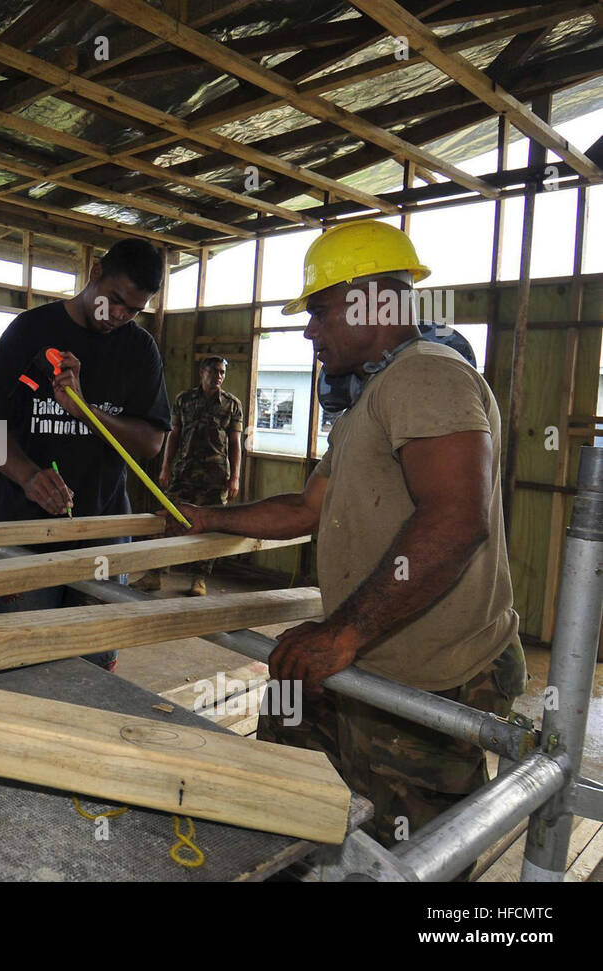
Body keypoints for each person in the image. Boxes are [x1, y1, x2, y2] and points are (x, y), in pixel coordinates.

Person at [164, 221, 525, 851]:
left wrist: (344, 633)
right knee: (293, 782)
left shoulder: (427, 376)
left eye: (321, 310)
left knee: (413, 852)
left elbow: (456, 519)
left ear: (370, 301)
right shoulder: (373, 398)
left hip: (422, 674)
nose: (309, 330)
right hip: (363, 655)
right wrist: (209, 517)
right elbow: (308, 507)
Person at [0, 238, 173, 669]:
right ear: (95, 272)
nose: (118, 316)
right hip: (23, 534)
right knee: (12, 658)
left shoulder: (139, 350)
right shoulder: (30, 331)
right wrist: (27, 476)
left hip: (103, 532)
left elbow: (151, 442)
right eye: (114, 300)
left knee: (94, 664)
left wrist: (87, 412)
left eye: (133, 310)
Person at [150, 355, 243, 595]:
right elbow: (174, 434)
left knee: (210, 527)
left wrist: (235, 477)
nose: (218, 377)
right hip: (184, 471)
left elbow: (235, 443)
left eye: (222, 372)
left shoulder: (231, 404)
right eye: (213, 371)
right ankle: (155, 574)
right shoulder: (185, 399)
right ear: (202, 373)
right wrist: (165, 466)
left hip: (216, 476)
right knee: (167, 520)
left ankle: (199, 578)